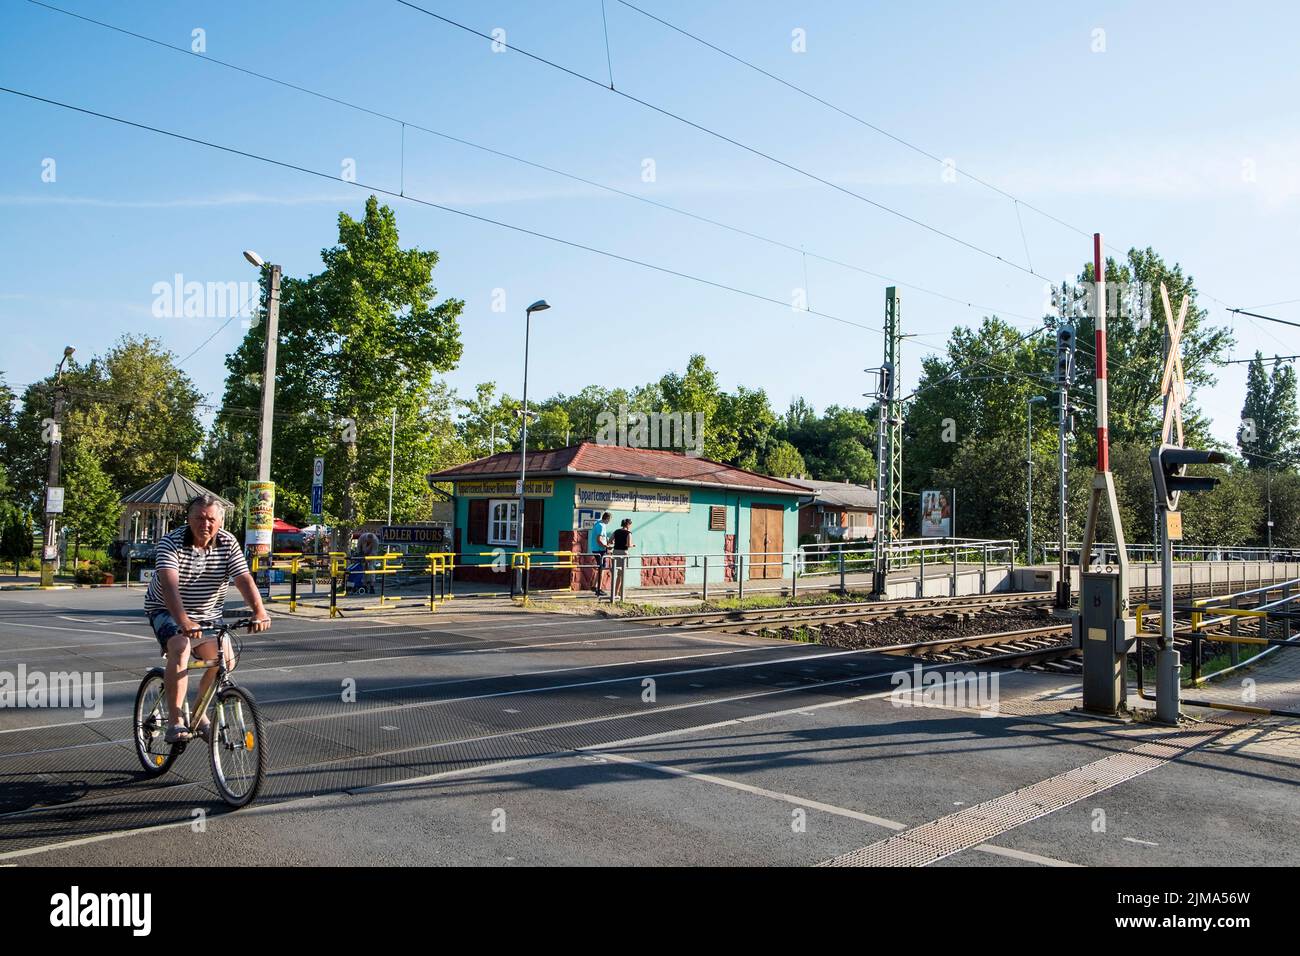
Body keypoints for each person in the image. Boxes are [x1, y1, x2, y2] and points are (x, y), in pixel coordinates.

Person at [143, 494, 271, 743]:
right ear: (188, 519)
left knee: (225, 661)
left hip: (208, 615)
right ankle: (175, 722)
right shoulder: (171, 543)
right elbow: (169, 587)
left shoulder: (228, 542)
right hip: (166, 610)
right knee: (180, 648)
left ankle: (199, 713)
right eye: (199, 518)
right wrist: (183, 622)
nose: (206, 524)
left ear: (221, 521)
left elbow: (243, 579)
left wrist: (260, 611)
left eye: (211, 519)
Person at [588, 511, 611, 596]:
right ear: (608, 519)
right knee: (602, 569)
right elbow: (599, 540)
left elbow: (602, 537)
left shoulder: (598, 523)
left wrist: (607, 541)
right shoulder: (601, 526)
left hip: (597, 549)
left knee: (600, 568)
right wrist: (606, 546)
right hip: (599, 550)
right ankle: (599, 588)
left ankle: (594, 586)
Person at [610, 518, 635, 598]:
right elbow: (628, 544)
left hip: (615, 552)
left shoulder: (616, 531)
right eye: (630, 524)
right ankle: (617, 593)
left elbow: (610, 541)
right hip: (623, 553)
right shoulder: (628, 533)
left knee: (617, 573)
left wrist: (616, 542)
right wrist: (633, 545)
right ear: (628, 524)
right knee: (621, 574)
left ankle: (619, 592)